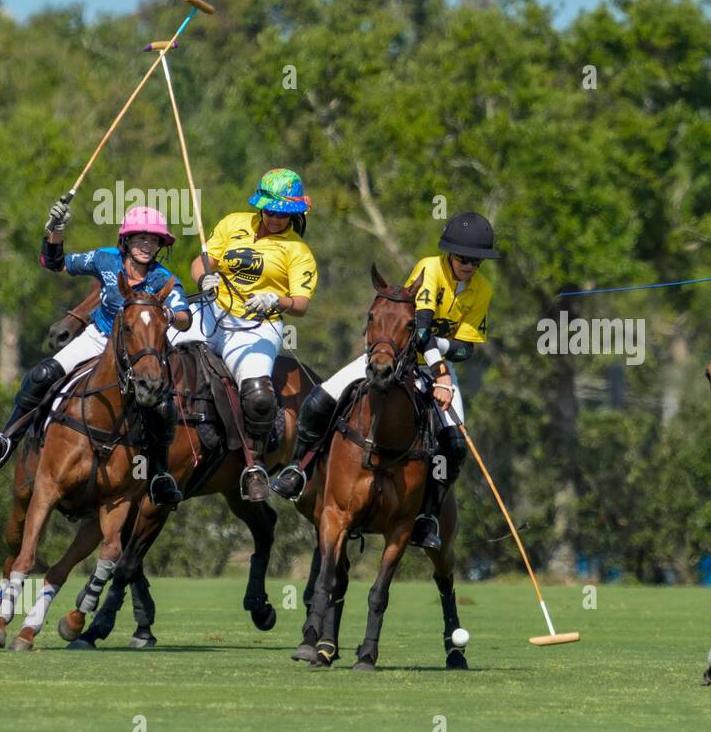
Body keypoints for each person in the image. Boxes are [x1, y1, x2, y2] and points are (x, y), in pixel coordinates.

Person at [271, 212, 496, 553]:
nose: (468, 265)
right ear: (449, 254)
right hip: (394, 360)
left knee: (454, 446)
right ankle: (297, 470)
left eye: (475, 260)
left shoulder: (482, 290)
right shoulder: (429, 269)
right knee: (320, 400)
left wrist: (443, 365)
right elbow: (419, 332)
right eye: (463, 258)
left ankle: (428, 517)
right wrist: (441, 372)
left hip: (438, 372)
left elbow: (467, 349)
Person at [0, 203, 192, 506]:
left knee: (163, 406)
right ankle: (7, 439)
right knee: (41, 375)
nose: (146, 245)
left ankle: (158, 475)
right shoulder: (105, 259)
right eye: (140, 238)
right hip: (98, 337)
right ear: (126, 240)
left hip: (139, 352)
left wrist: (169, 313)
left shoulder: (162, 278)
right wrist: (56, 229)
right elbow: (55, 263)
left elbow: (185, 318)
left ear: (160, 246)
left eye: (153, 240)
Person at [175, 168, 318, 501]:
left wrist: (276, 299)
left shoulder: (297, 251)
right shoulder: (233, 223)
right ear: (261, 206)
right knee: (151, 361)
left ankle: (253, 467)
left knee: (258, 396)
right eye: (271, 210)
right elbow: (203, 259)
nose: (276, 218)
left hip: (256, 326)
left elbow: (301, 304)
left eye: (284, 213)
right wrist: (202, 278)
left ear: (294, 213)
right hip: (210, 312)